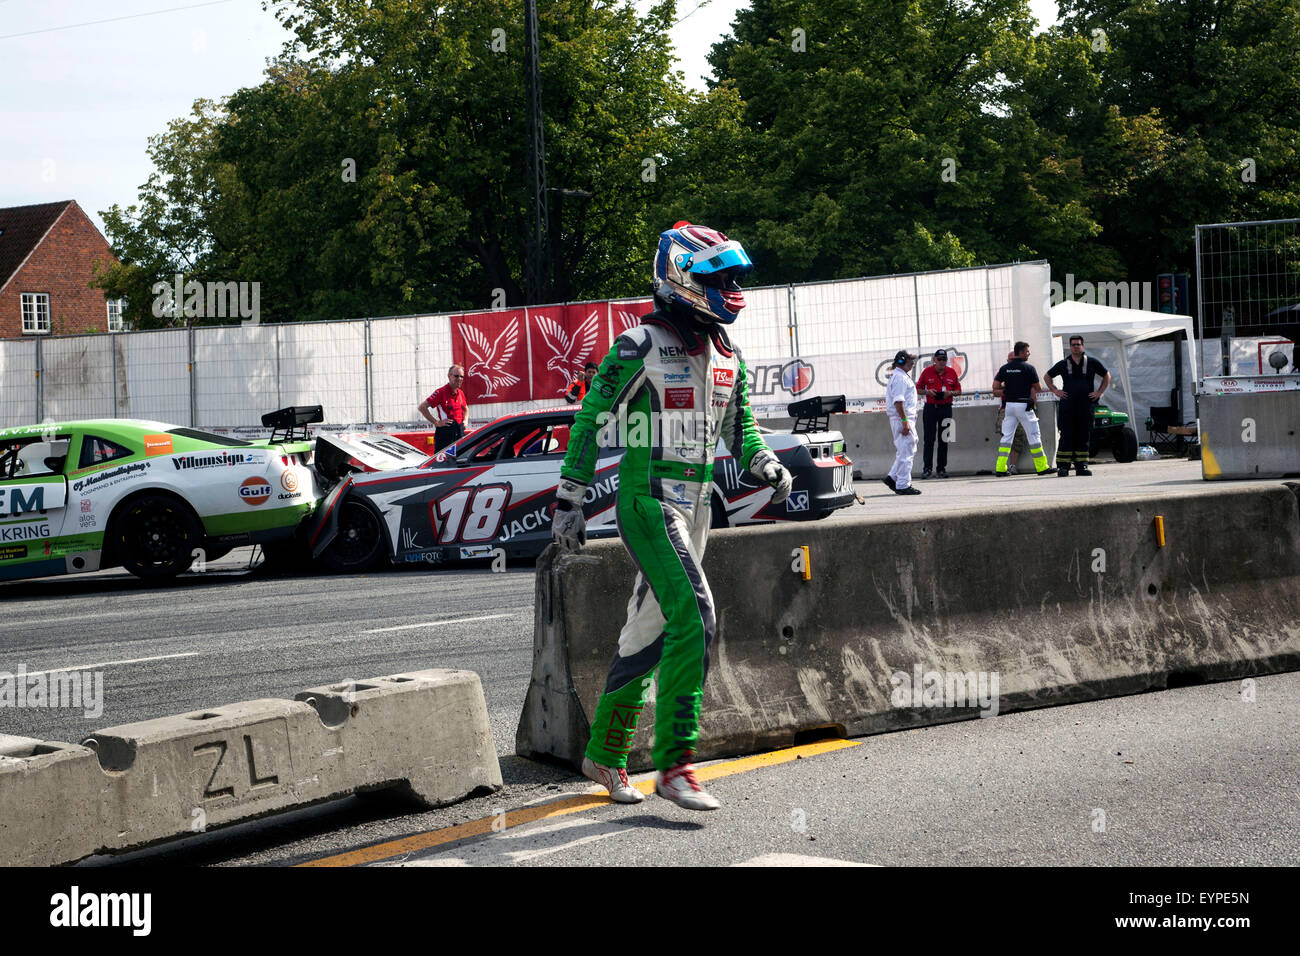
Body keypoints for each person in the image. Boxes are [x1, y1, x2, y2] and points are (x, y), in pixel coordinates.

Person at [551, 221, 792, 811]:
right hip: (648, 499)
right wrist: (569, 501)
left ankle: (604, 756)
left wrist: (764, 464)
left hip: (699, 504)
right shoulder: (639, 344)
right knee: (699, 615)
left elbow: (742, 429)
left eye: (736, 277)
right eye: (720, 277)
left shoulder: (728, 352)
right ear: (682, 278)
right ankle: (677, 765)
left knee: (648, 632)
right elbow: (590, 418)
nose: (733, 287)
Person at [1045, 335, 1110, 476]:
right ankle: (1063, 467)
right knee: (1067, 435)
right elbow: (1047, 376)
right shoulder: (1063, 363)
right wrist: (1055, 391)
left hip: (1086, 406)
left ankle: (1082, 466)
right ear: (1070, 346)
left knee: (1083, 435)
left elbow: (1107, 375)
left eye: (1078, 344)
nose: (1076, 346)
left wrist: (1099, 392)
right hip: (1067, 406)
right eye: (1073, 344)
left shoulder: (1092, 362)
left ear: (1083, 346)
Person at [992, 342, 1051, 476]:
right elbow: (1038, 388)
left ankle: (1000, 468)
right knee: (1034, 436)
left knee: (1006, 438)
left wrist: (1008, 388)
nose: (1029, 353)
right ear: (1021, 352)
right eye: (1027, 351)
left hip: (1009, 406)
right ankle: (1042, 467)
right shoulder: (1029, 368)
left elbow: (995, 388)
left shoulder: (1004, 368)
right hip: (1024, 406)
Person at [915, 348, 961, 478]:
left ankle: (941, 469)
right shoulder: (927, 371)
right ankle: (927, 469)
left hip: (946, 408)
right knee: (929, 440)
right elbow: (918, 389)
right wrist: (927, 392)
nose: (942, 362)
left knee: (944, 439)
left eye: (944, 359)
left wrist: (950, 393)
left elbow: (959, 390)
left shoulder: (951, 372)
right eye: (939, 359)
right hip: (930, 408)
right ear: (934, 360)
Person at [883, 350, 921, 495]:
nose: (912, 363)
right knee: (907, 452)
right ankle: (903, 484)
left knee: (905, 450)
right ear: (902, 361)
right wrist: (905, 422)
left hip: (903, 419)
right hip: (902, 419)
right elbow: (898, 402)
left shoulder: (900, 376)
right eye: (910, 360)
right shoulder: (900, 378)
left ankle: (892, 478)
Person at [993, 349, 1029, 473]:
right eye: (1011, 359)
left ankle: (1012, 466)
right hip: (1006, 408)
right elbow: (995, 391)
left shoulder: (1026, 369)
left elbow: (1034, 388)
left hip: (1023, 407)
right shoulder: (1003, 371)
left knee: (1019, 438)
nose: (1013, 362)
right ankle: (1002, 466)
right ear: (1007, 361)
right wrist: (1007, 390)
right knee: (1005, 436)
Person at [418, 365, 468, 452]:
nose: (459, 379)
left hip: (459, 431)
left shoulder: (460, 393)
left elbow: (466, 408)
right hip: (446, 433)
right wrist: (436, 422)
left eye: (461, 376)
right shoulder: (441, 392)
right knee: (443, 461)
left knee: (461, 460)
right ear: (449, 376)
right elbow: (422, 407)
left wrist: (465, 421)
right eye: (456, 376)